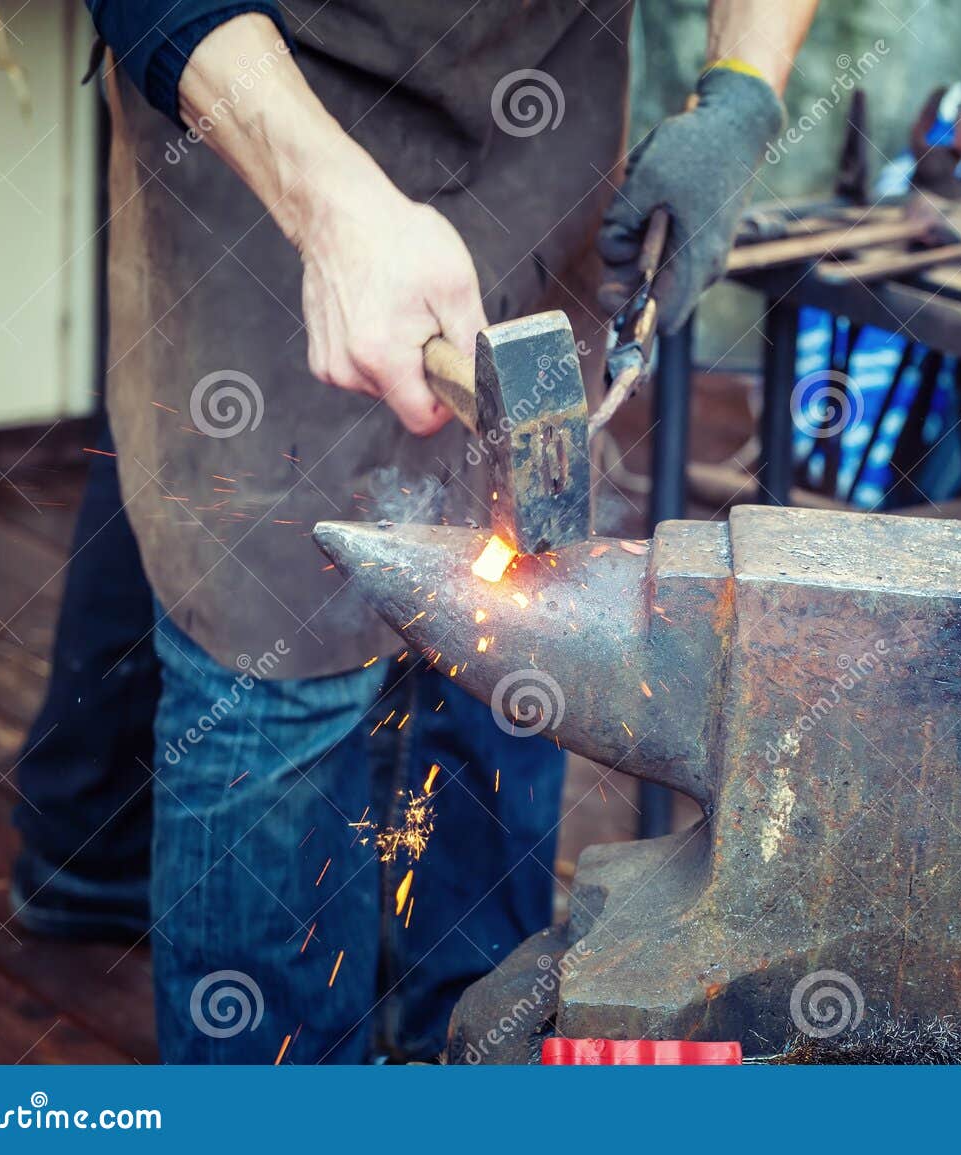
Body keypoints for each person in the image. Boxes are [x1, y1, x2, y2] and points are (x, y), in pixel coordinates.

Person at [71, 0, 817, 1062]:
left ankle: (470, 1070)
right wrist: (331, 210)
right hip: (263, 97)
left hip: (541, 105)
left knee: (518, 637)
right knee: (276, 643)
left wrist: (742, 92)